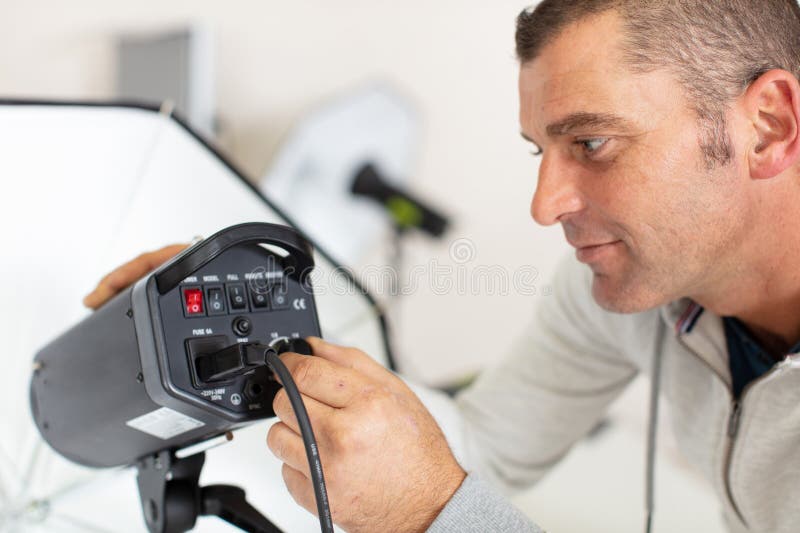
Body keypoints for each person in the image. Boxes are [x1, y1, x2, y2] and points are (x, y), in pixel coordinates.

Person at [83, 1, 800, 532]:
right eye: (540, 151)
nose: (544, 205)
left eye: (591, 143)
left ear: (767, 127)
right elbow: (484, 446)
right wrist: (265, 318)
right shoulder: (624, 288)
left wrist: (433, 512)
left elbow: (440, 485)